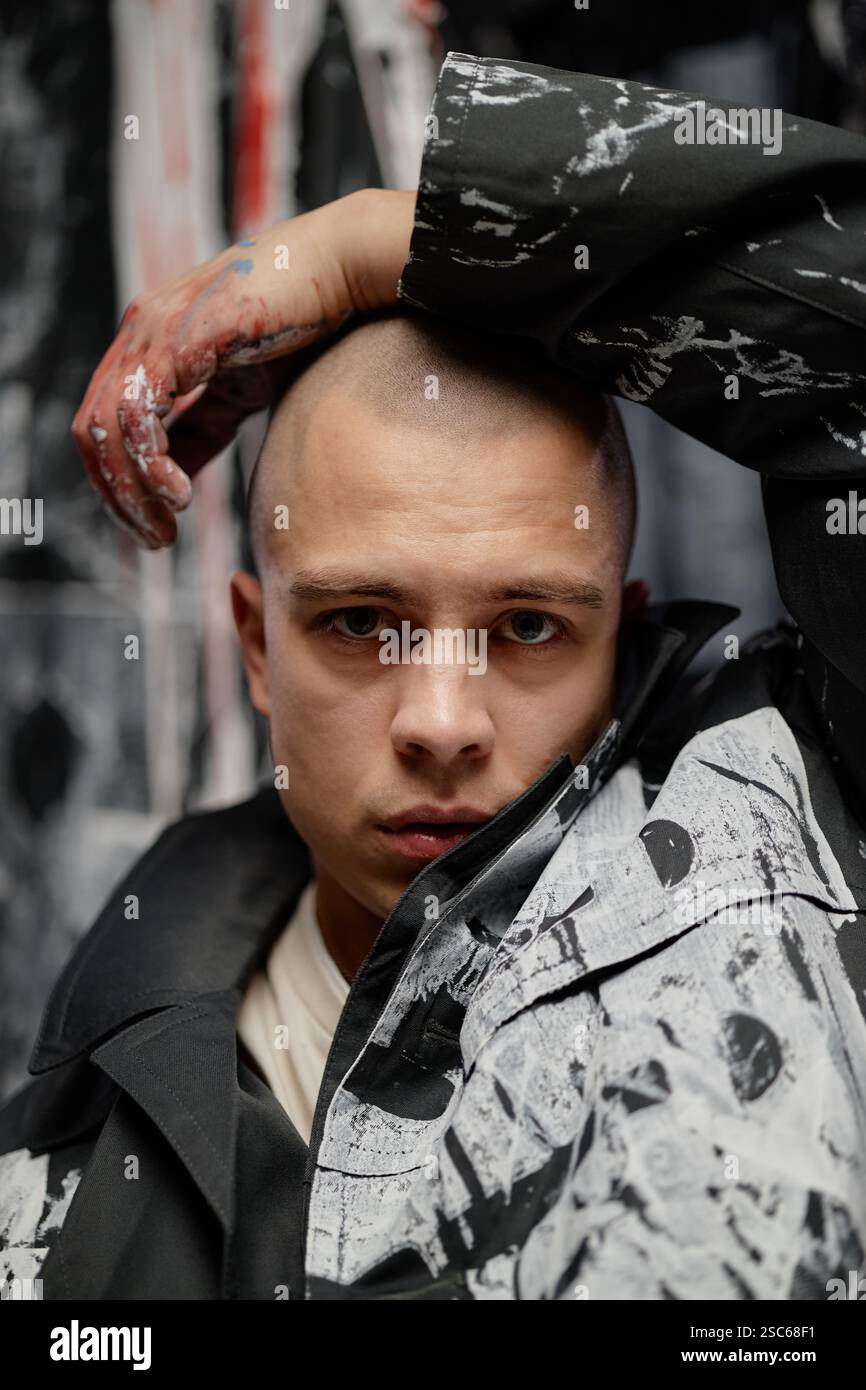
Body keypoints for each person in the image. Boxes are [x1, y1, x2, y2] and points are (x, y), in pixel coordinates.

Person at [1, 51, 865, 1302]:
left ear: (616, 637)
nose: (442, 724)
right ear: (255, 645)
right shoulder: (57, 1169)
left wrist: (379, 242)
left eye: (525, 629)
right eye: (359, 622)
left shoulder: (789, 819)